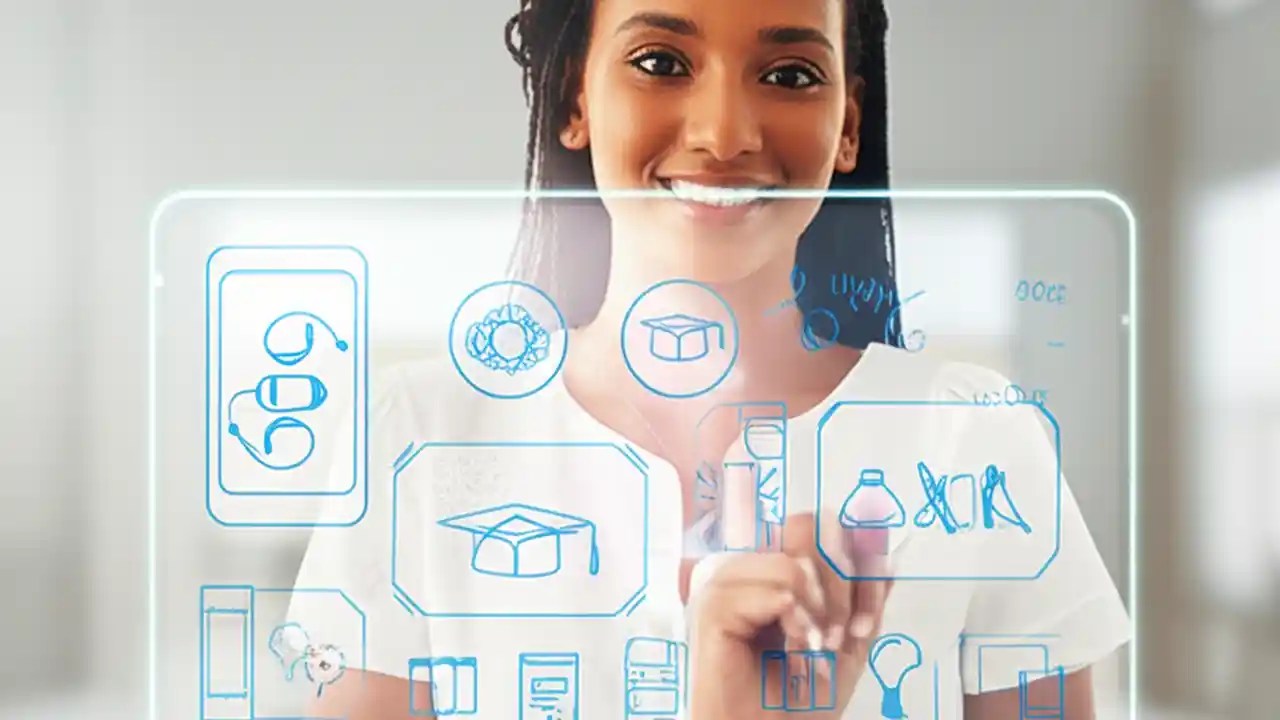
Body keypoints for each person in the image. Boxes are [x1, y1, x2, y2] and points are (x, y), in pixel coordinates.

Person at [288, 1, 1132, 718]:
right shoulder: (416, 436)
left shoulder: (974, 440)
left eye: (792, 74)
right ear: (572, 99)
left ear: (849, 125)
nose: (724, 134)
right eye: (660, 61)